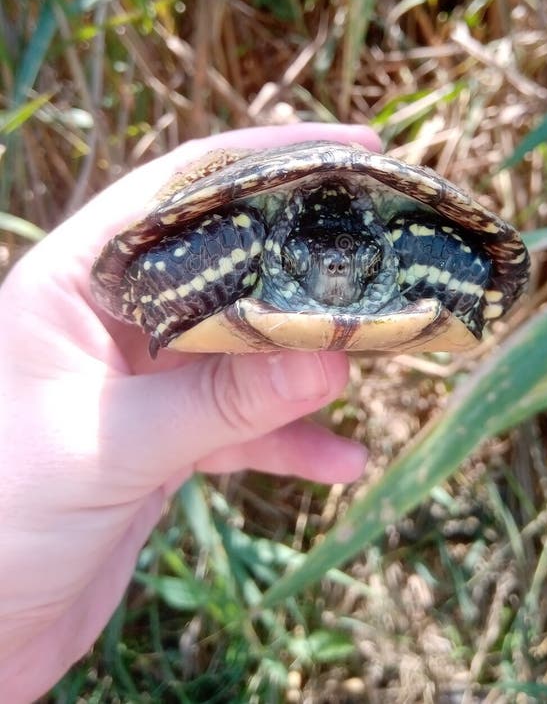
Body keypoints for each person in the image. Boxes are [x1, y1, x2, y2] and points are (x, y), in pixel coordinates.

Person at [0, 122, 379, 702]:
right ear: (286, 250)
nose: (334, 271)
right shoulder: (249, 233)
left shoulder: (386, 240)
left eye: (355, 259)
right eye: (311, 257)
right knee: (226, 235)